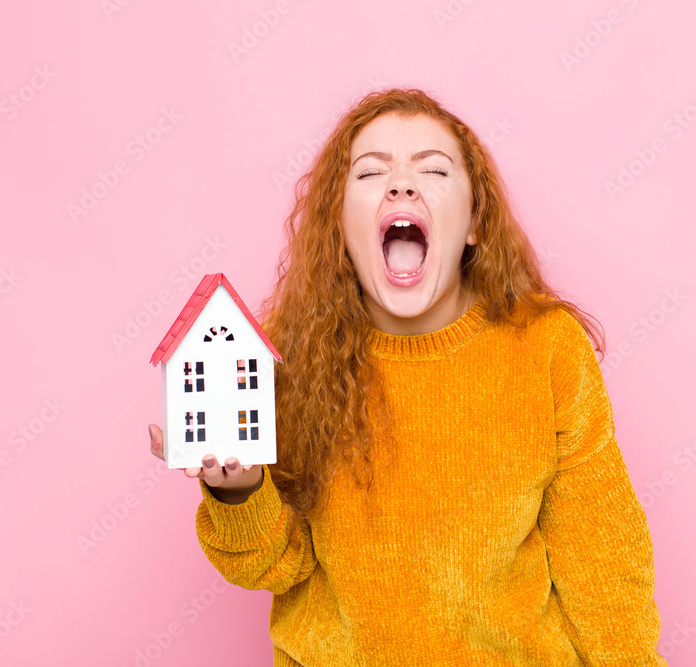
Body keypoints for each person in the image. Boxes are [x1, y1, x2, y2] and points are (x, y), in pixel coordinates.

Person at [149, 88, 668, 666]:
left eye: (434, 169)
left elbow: (601, 559)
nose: (400, 184)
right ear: (338, 227)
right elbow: (276, 567)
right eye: (371, 172)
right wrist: (237, 490)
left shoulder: (547, 347)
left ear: (474, 222)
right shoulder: (285, 357)